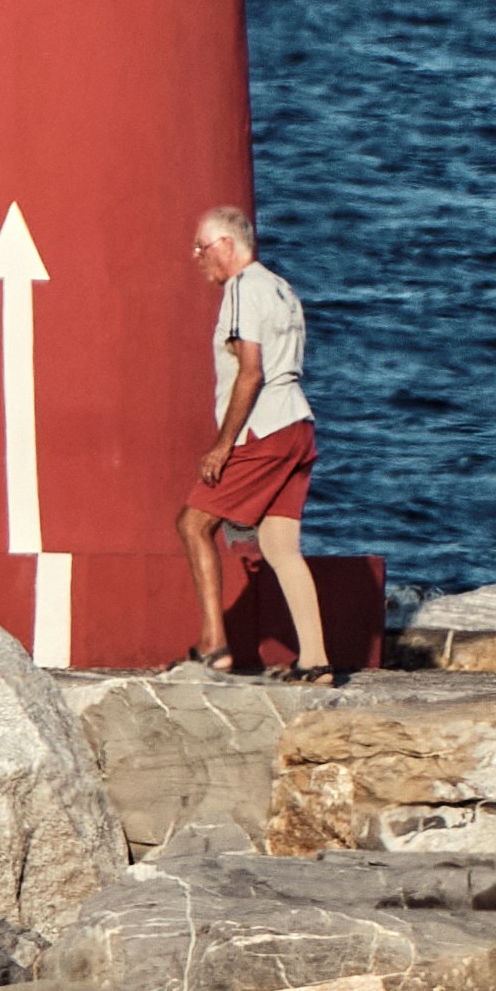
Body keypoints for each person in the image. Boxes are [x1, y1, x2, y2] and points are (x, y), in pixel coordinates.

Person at [177, 204, 328, 676]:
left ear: (228, 245)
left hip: (264, 430)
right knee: (281, 546)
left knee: (193, 524)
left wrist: (223, 444)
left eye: (202, 247)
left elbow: (251, 371)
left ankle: (215, 644)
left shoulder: (242, 288)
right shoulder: (283, 289)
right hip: (299, 424)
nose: (197, 256)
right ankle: (316, 660)